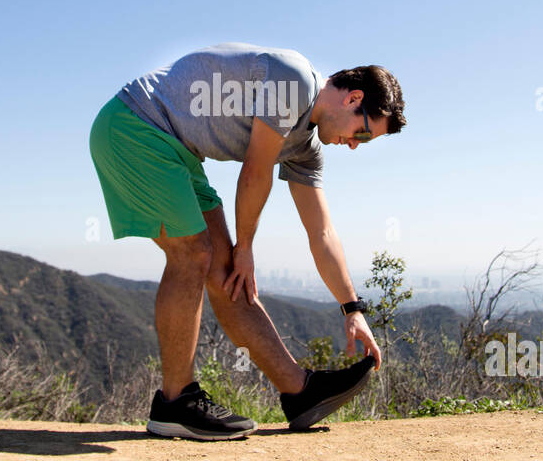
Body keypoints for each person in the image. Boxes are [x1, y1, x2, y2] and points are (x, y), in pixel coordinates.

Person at [88, 42, 407, 439]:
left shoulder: (305, 148)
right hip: (136, 125)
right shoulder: (295, 79)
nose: (356, 144)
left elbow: (321, 232)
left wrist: (352, 309)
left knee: (226, 274)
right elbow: (257, 169)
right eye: (363, 132)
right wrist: (246, 248)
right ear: (353, 97)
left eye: (366, 141)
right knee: (194, 253)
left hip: (179, 152)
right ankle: (175, 402)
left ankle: (299, 391)